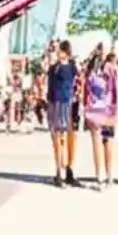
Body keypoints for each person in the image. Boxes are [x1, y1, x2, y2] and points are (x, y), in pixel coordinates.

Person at [82, 45, 118, 188]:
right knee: (97, 141)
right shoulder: (92, 68)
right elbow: (86, 88)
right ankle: (100, 174)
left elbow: (117, 90)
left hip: (108, 109)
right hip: (95, 109)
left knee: (107, 141)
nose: (101, 51)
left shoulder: (112, 68)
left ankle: (109, 173)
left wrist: (116, 111)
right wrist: (86, 106)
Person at [43, 39, 81, 187]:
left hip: (64, 103)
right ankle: (59, 170)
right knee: (58, 137)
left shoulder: (69, 67)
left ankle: (64, 169)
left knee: (63, 137)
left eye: (60, 50)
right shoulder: (54, 67)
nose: (57, 53)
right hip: (56, 102)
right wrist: (49, 53)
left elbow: (78, 74)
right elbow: (46, 68)